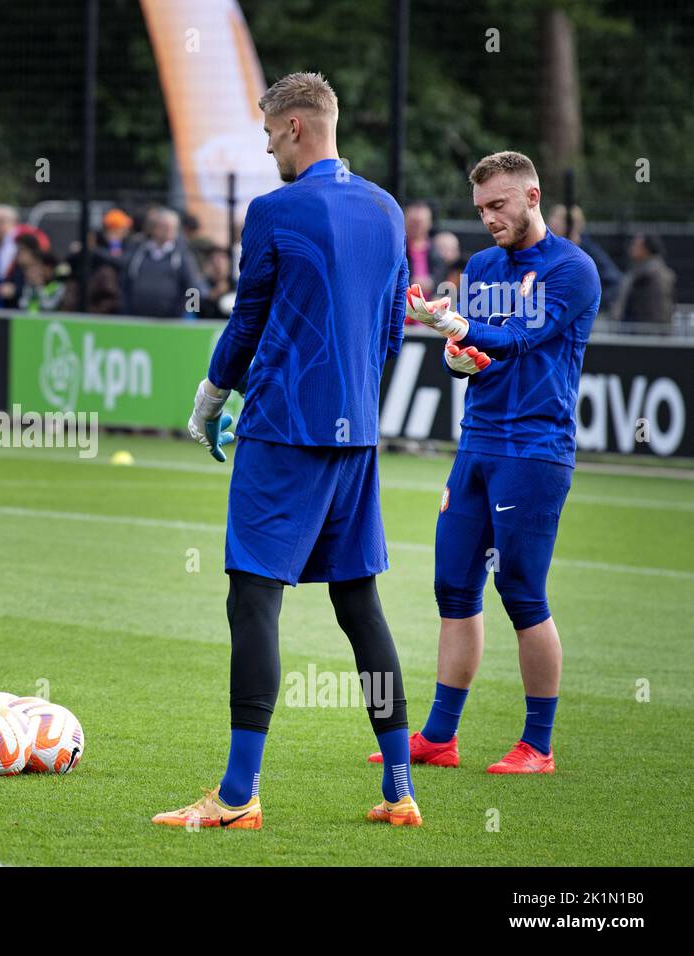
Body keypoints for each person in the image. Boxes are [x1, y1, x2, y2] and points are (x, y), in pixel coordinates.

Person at [154, 72, 419, 830]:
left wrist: (212, 399)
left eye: (269, 133)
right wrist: (354, 403)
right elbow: (393, 330)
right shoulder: (386, 208)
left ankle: (238, 796)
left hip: (283, 432)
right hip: (356, 436)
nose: (266, 146)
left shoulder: (275, 209)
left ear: (297, 127)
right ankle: (400, 789)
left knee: (253, 597)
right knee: (359, 600)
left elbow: (247, 322)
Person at [384, 150, 600, 775]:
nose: (489, 220)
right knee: (453, 586)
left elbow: (524, 339)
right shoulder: (480, 265)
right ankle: (440, 737)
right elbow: (480, 350)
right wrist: (457, 350)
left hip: (534, 450)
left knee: (521, 591)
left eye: (498, 206)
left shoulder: (573, 269)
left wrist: (458, 324)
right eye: (481, 209)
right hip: (476, 441)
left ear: (533, 197)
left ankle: (538, 745)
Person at [121, 207, 204, 318]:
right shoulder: (138, 253)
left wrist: (188, 315)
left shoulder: (183, 256)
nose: (169, 230)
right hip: (137, 319)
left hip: (171, 322)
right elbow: (125, 283)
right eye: (164, 226)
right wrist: (125, 311)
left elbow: (193, 288)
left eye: (173, 227)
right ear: (153, 228)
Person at [547, 204, 621, 313]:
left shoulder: (589, 251)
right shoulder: (548, 249)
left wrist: (589, 303)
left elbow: (614, 280)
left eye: (560, 218)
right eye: (553, 216)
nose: (553, 221)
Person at [614, 232, 676, 330]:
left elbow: (660, 312)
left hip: (645, 336)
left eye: (635, 244)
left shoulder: (656, 275)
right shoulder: (640, 272)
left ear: (646, 249)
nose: (631, 248)